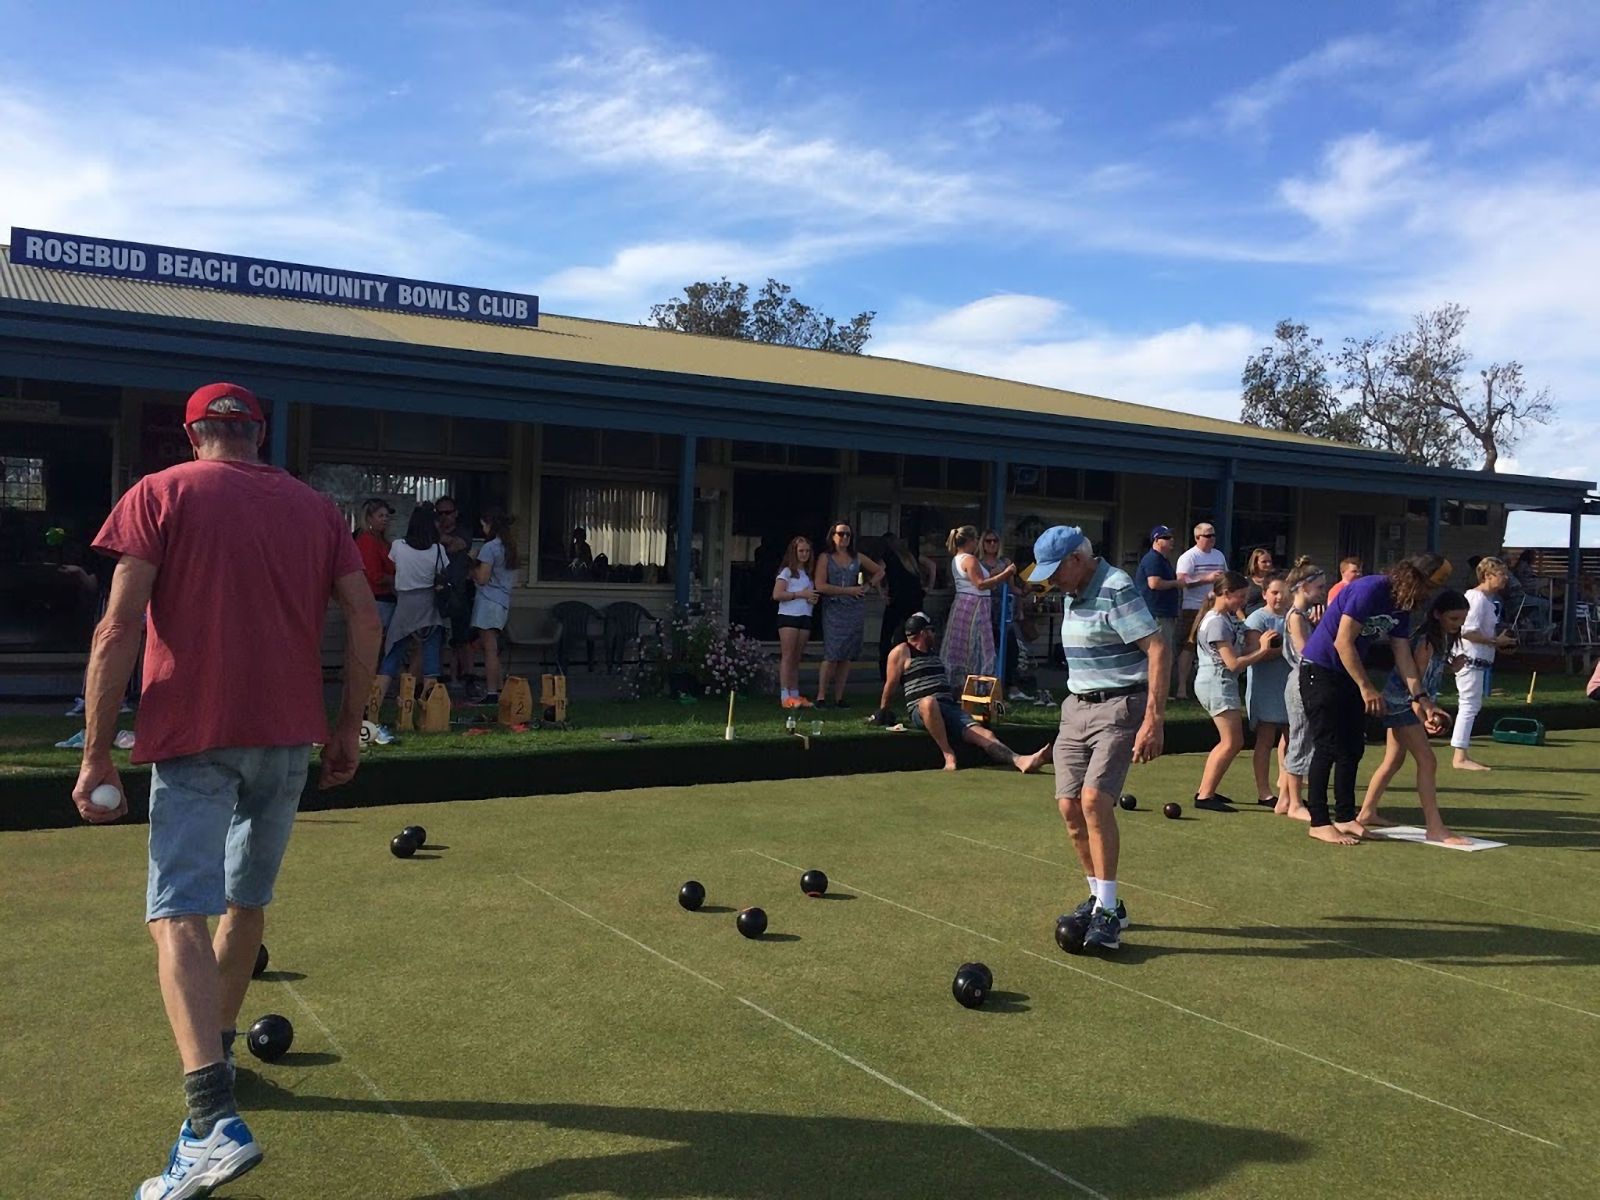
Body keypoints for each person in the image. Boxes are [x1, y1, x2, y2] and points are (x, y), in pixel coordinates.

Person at [72, 382, 380, 1199]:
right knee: (245, 904)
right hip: (286, 737)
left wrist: (97, 752)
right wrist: (349, 727)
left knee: (177, 912)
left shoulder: (159, 492)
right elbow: (365, 618)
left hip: (194, 734)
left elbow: (118, 624)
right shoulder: (316, 509)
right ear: (258, 433)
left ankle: (210, 1118)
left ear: (193, 431)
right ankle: (220, 1055)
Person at [1028, 525, 1168, 953]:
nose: (1051, 581)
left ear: (1077, 559)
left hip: (1119, 706)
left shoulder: (1116, 585)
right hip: (1076, 707)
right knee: (1069, 806)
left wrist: (1153, 719)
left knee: (1093, 801)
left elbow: (1158, 648)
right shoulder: (1072, 592)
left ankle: (1107, 912)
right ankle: (1103, 899)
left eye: (1055, 571)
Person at [1298, 552, 1452, 846]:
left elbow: (1402, 653)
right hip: (1321, 670)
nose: (1428, 594)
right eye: (1428, 586)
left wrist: (1421, 698)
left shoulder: (1402, 604)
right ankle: (1318, 822)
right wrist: (1366, 687)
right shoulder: (1369, 589)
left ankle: (1345, 817)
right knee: (1327, 747)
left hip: (1348, 675)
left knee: (1352, 748)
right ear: (1415, 577)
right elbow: (1342, 641)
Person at [1357, 590, 1470, 844]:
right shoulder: (1425, 642)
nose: (1457, 625)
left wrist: (1452, 668)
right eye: (1453, 619)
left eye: (1461, 620)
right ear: (1437, 614)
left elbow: (1428, 675)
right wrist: (1424, 712)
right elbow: (1414, 683)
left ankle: (1366, 812)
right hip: (1402, 705)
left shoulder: (1438, 639)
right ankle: (1434, 827)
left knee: (1393, 761)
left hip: (1402, 702)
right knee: (1427, 761)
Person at [875, 612, 1051, 774]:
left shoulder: (933, 653)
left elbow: (942, 685)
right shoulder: (902, 651)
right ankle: (948, 753)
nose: (935, 635)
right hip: (921, 710)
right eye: (932, 631)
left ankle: (1020, 760)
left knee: (986, 735)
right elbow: (890, 684)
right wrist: (883, 711)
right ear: (923, 633)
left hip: (949, 706)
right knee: (928, 702)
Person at [1190, 572, 1282, 812]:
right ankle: (1205, 795)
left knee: (1230, 741)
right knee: (1232, 741)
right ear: (1226, 593)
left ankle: (1206, 790)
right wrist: (1262, 649)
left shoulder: (1224, 617)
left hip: (1219, 682)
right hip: (1216, 682)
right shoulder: (1217, 622)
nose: (1243, 601)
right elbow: (1233, 663)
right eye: (1240, 596)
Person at [372, 503, 446, 709]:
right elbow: (443, 572)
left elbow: (396, 569)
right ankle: (430, 708)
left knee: (393, 655)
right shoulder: (438, 550)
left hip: (404, 605)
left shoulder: (398, 546)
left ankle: (374, 705)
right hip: (429, 605)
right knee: (431, 656)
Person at [1451, 557, 1517, 771]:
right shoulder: (1476, 598)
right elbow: (1467, 631)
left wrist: (1499, 643)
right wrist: (1495, 641)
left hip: (1479, 660)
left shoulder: (1488, 601)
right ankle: (1460, 757)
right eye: (1501, 574)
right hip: (1469, 660)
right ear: (1488, 576)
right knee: (1468, 705)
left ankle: (1461, 754)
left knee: (1472, 705)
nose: (1505, 578)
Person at [813, 521, 884, 707]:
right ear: (833, 536)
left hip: (854, 608)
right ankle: (821, 696)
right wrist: (847, 591)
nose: (844, 538)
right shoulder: (825, 557)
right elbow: (820, 585)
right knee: (832, 653)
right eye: (841, 533)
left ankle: (839, 697)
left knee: (847, 654)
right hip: (834, 607)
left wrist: (867, 587)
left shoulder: (857, 557)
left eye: (848, 535)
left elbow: (879, 571)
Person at [1278, 557, 1325, 821]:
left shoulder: (1304, 616)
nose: (1323, 591)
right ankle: (1295, 803)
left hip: (1307, 679)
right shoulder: (1296, 617)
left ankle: (1286, 799)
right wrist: (1320, 630)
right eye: (1319, 587)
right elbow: (1307, 652)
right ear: (1304, 588)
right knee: (1300, 740)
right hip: (1301, 681)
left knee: (1304, 738)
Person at [942, 525, 1013, 688]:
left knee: (961, 648)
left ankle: (959, 685)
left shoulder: (957, 558)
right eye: (976, 540)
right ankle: (979, 687)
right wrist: (1006, 574)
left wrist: (994, 574)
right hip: (975, 605)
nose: (977, 543)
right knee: (980, 647)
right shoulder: (970, 559)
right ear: (970, 540)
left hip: (963, 602)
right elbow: (980, 584)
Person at [1244, 573, 1292, 807]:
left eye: (1284, 592)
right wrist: (1287, 647)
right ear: (1264, 594)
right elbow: (1255, 653)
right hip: (1265, 686)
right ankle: (1264, 792)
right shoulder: (1257, 619)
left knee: (1292, 738)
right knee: (1265, 738)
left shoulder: (1294, 617)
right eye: (1274, 592)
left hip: (1291, 685)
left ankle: (1288, 790)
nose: (1279, 597)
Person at [470, 509, 519, 705]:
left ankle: (491, 693)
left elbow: (482, 578)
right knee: (493, 647)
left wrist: (471, 564)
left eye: (484, 525)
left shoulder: (489, 548)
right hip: (502, 601)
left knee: (489, 649)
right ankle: (499, 687)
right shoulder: (510, 547)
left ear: (491, 526)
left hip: (488, 601)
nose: (483, 529)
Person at [1175, 522, 1227, 701]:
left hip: (1215, 607)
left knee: (1214, 646)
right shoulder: (1189, 557)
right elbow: (1182, 581)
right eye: (1207, 536)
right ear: (1197, 538)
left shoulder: (1219, 555)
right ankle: (1182, 687)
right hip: (1193, 607)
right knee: (1189, 645)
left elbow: (1225, 577)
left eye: (1213, 535)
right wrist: (1206, 579)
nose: (1212, 539)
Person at [978, 529, 1027, 698]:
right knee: (988, 649)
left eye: (995, 541)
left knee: (1011, 648)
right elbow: (984, 583)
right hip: (985, 607)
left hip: (1003, 607)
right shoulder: (978, 564)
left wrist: (1025, 592)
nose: (992, 544)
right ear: (982, 543)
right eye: (988, 541)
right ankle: (987, 685)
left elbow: (1012, 587)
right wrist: (1003, 573)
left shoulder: (1005, 562)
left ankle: (1011, 686)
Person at [434, 496, 476, 691]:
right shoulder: (434, 532)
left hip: (458, 591)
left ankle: (468, 677)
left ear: (456, 513)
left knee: (462, 639)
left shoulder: (464, 533)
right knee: (438, 637)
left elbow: (457, 544)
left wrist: (435, 535)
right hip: (436, 592)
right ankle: (438, 676)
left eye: (448, 512)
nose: (444, 517)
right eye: (440, 513)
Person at [773, 535, 820, 709]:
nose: (804, 554)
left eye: (807, 551)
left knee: (797, 658)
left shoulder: (808, 574)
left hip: (805, 616)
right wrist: (801, 594)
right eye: (801, 551)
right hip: (789, 616)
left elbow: (809, 595)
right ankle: (785, 695)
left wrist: (811, 599)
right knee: (788, 656)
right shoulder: (786, 572)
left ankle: (795, 693)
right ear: (794, 552)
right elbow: (777, 594)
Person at [1136, 525, 1184, 681]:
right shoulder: (1153, 559)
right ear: (1156, 540)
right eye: (1167, 537)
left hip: (1165, 612)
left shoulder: (1163, 560)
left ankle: (1161, 687)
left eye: (1171, 537)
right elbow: (1154, 583)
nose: (1172, 540)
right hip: (1156, 612)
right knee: (1161, 652)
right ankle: (1155, 688)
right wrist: (1176, 583)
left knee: (1167, 651)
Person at [877, 529, 927, 680]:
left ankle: (886, 674)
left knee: (887, 638)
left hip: (897, 601)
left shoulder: (888, 556)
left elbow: (878, 571)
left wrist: (881, 592)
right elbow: (931, 565)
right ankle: (915, 672)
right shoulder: (910, 556)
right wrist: (927, 586)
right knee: (915, 638)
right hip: (916, 600)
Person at [354, 498, 396, 631]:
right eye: (380, 516)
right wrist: (397, 579)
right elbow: (375, 576)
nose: (385, 519)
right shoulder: (367, 541)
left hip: (386, 598)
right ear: (369, 519)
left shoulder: (383, 540)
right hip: (376, 599)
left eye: (387, 516)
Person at [1242, 547, 1275, 614]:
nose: (1268, 564)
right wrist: (1243, 620)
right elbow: (1238, 607)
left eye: (1269, 561)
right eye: (1264, 562)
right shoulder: (1246, 582)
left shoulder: (1275, 581)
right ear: (1255, 563)